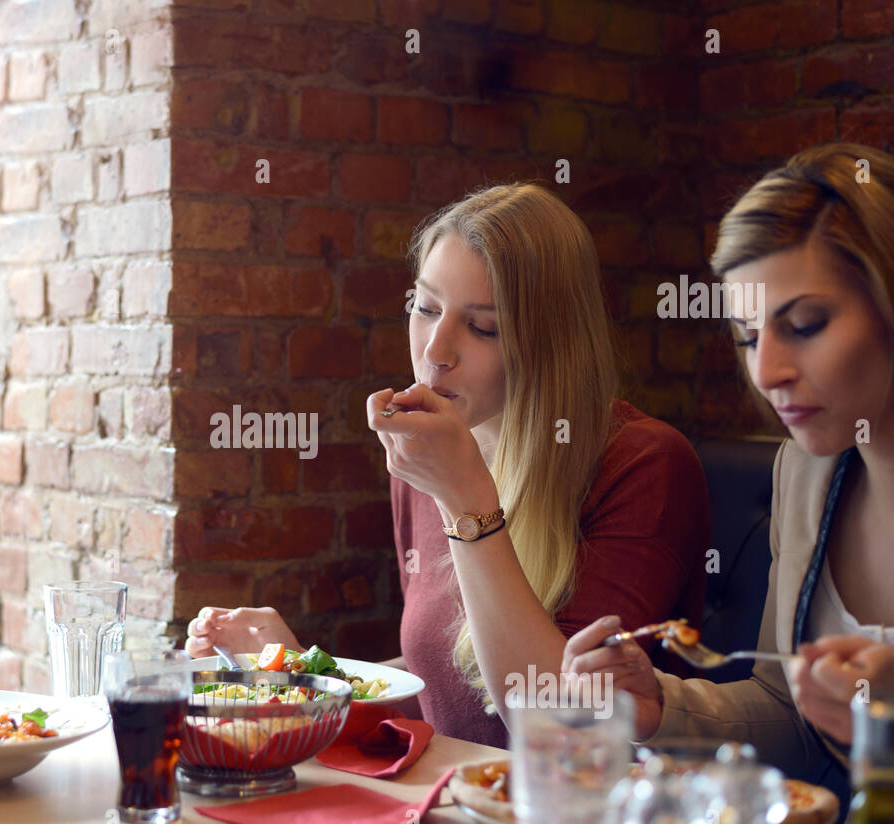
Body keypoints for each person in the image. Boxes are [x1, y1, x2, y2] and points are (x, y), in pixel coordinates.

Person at [188, 182, 711, 746]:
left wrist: (466, 502)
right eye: (426, 307)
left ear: (551, 343)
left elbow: (562, 732)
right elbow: (445, 690)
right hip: (450, 814)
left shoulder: (645, 465)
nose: (436, 350)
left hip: (578, 822)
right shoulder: (428, 457)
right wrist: (301, 673)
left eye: (483, 326)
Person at [564, 143, 894, 807]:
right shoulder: (807, 475)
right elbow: (793, 716)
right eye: (750, 337)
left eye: (804, 324)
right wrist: (660, 707)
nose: (766, 371)